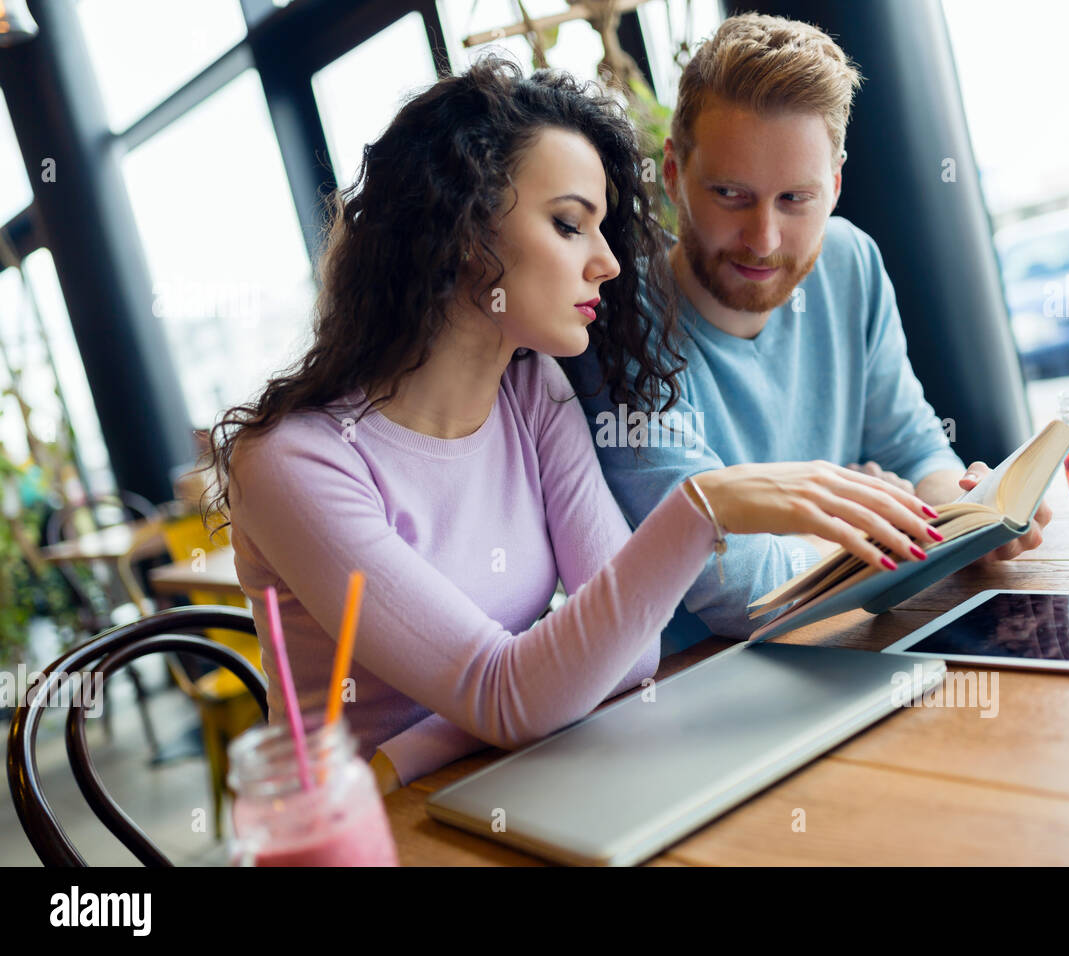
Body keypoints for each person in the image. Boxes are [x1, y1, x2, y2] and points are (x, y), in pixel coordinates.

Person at [203, 56, 942, 791]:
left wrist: (416, 749)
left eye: (603, 229)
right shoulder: (293, 463)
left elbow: (632, 655)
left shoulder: (534, 393)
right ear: (465, 228)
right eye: (568, 225)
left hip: (500, 776)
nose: (608, 264)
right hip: (371, 830)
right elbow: (504, 693)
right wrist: (703, 508)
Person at [566, 14, 1052, 654]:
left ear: (835, 187)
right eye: (732, 194)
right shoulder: (625, 320)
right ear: (676, 174)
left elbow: (912, 448)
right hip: (703, 681)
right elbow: (732, 589)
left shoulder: (851, 261)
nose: (763, 239)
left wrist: (967, 512)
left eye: (796, 199)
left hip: (855, 646)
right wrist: (882, 525)